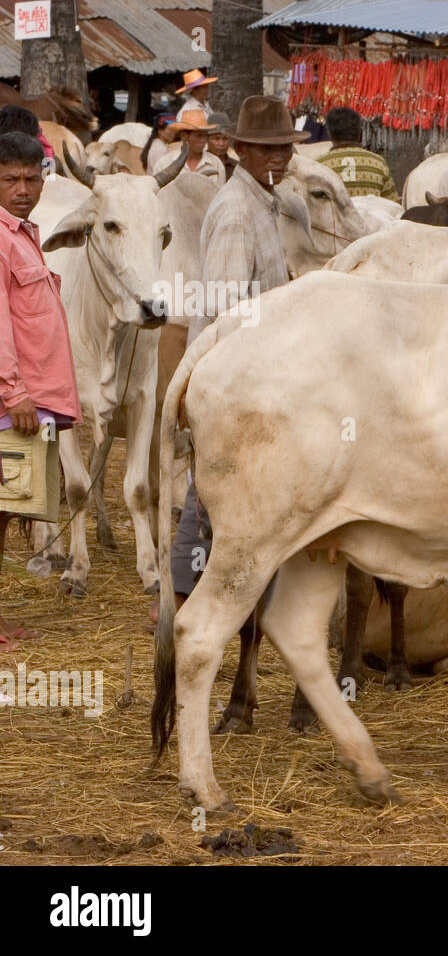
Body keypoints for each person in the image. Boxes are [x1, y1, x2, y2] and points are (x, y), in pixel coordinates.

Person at [155, 96, 308, 625]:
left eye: (284, 148)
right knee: (205, 500)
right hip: (233, 379)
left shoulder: (262, 200)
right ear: (239, 149)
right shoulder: (238, 212)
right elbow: (223, 312)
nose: (279, 158)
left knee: (220, 497)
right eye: (266, 149)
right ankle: (175, 607)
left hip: (254, 377)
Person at [0, 132, 80, 645]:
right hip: (16, 403)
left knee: (6, 514)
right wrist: (15, 393)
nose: (22, 188)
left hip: (35, 398)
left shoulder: (23, 234)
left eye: (31, 178)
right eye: (10, 179)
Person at [318, 106, 399, 201]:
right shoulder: (378, 163)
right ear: (360, 135)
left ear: (330, 135)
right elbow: (393, 206)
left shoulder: (319, 166)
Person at [148, 109, 225, 183]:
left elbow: (221, 194)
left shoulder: (215, 164)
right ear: (184, 136)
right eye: (199, 136)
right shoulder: (164, 163)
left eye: (205, 136)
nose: (204, 141)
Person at [206, 111, 237, 181]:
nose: (221, 143)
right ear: (207, 139)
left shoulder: (236, 167)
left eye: (225, 138)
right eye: (216, 139)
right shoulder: (200, 164)